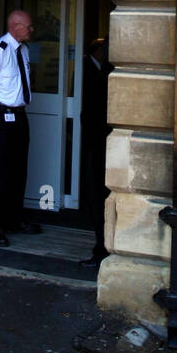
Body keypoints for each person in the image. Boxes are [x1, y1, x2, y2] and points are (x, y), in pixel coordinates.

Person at [0, 9, 43, 245]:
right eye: (28, 26)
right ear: (15, 26)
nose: (31, 30)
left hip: (19, 116)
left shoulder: (23, 50)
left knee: (18, 170)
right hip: (1, 116)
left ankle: (14, 219)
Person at [78, 37, 112, 266]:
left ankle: (102, 247)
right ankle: (102, 246)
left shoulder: (107, 74)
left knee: (99, 195)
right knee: (99, 195)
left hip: (99, 141)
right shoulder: (101, 72)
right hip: (99, 140)